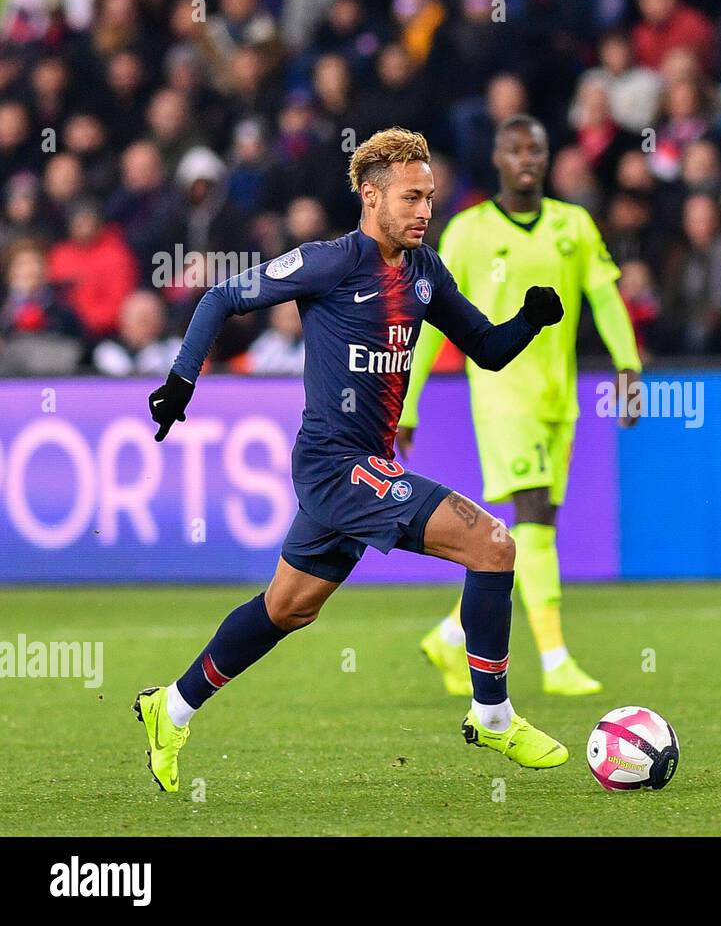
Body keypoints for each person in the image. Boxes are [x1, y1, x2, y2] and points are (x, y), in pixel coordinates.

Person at [136, 128, 570, 794]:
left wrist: (529, 320)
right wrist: (182, 380)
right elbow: (220, 297)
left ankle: (170, 708)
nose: (426, 211)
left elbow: (483, 347)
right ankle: (492, 714)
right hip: (337, 464)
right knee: (493, 544)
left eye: (430, 197)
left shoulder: (424, 273)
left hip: (362, 464)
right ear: (371, 197)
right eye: (412, 198)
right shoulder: (331, 262)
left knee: (288, 609)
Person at [399, 114, 642, 697]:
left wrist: (629, 365)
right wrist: (407, 401)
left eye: (536, 148)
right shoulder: (468, 231)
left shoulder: (573, 225)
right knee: (532, 515)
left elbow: (605, 299)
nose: (527, 159)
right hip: (504, 395)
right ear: (499, 160)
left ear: (548, 155)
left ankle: (451, 636)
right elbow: (434, 322)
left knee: (539, 530)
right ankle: (556, 660)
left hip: (561, 398)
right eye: (515, 150)